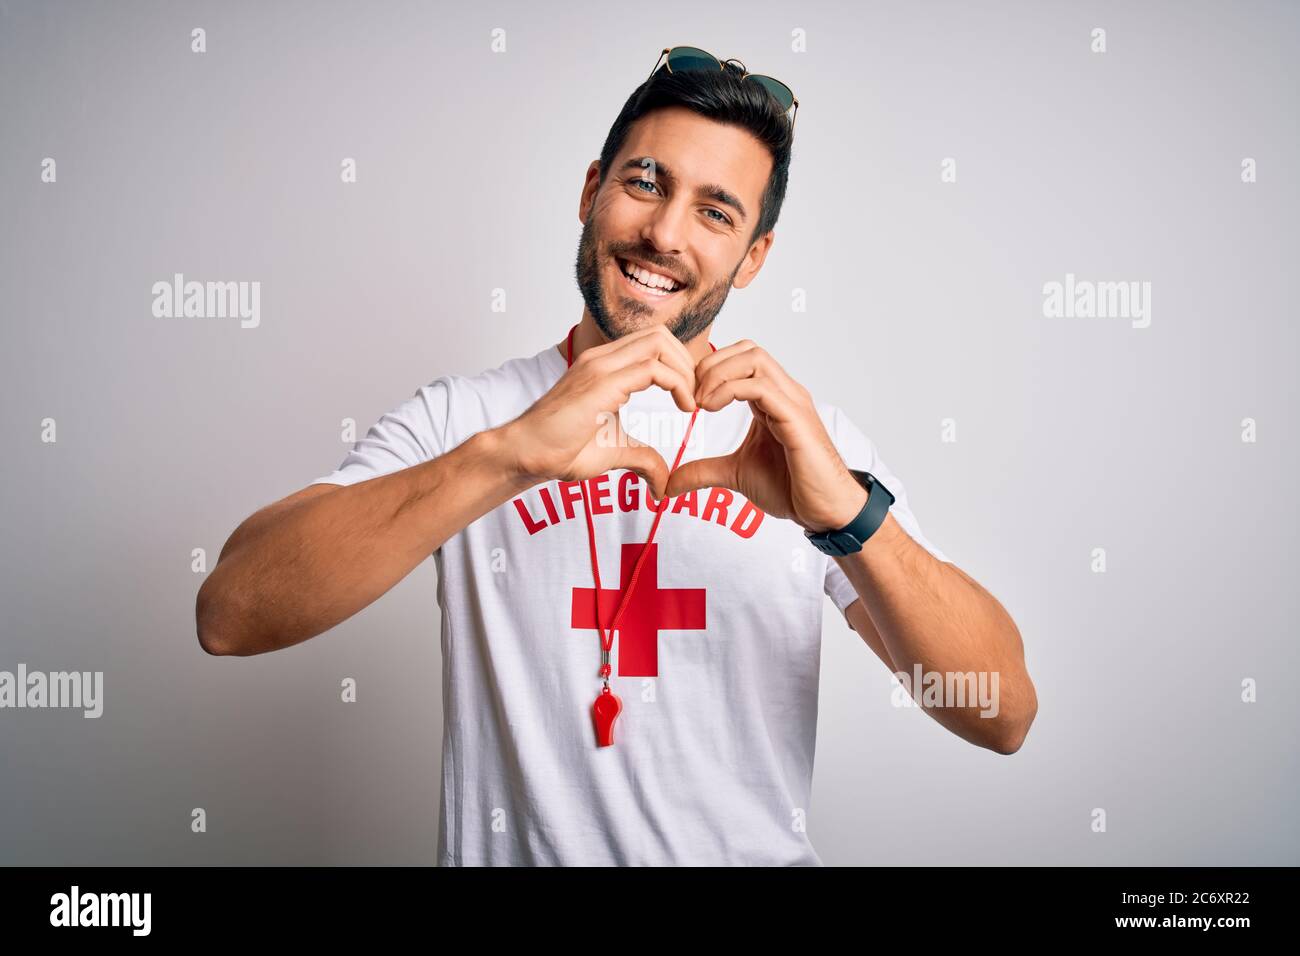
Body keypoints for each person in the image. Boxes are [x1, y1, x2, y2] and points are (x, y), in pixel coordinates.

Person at [195, 49, 1037, 866]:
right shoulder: (470, 418)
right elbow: (230, 615)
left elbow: (1001, 715)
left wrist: (849, 517)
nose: (664, 232)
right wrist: (507, 458)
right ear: (593, 191)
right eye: (645, 183)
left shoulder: (802, 446)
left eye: (716, 211)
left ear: (753, 258)